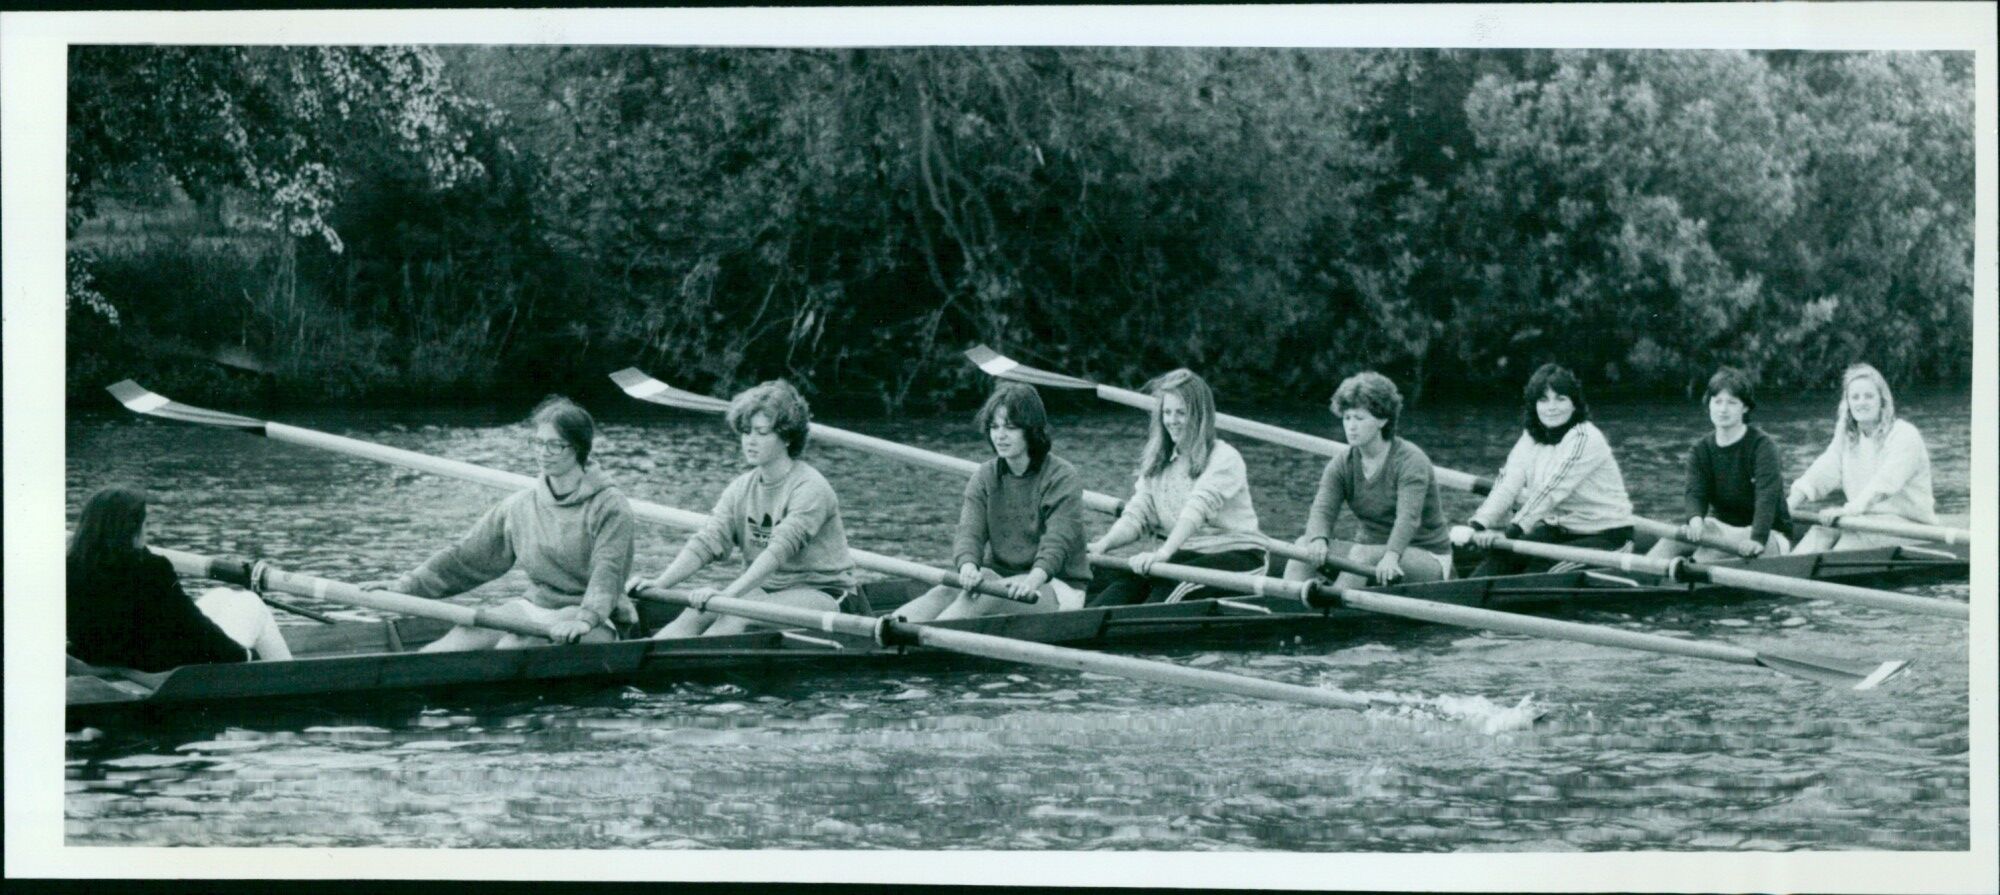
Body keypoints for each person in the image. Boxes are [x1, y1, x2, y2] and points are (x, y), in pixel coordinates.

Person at [362, 396, 635, 651]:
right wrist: (405, 587)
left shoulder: (610, 506)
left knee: (514, 645)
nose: (543, 453)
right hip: (538, 605)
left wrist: (585, 620)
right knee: (465, 634)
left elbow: (608, 572)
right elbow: (465, 559)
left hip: (597, 618)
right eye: (538, 443)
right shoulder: (520, 505)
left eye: (555, 445)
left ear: (579, 447)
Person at [638, 379, 858, 638]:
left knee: (736, 616)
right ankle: (644, 659)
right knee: (694, 613)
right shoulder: (741, 487)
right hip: (766, 589)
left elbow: (778, 551)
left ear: (787, 437)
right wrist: (660, 583)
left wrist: (727, 596)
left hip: (824, 593)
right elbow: (707, 542)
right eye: (746, 432)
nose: (750, 441)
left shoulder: (810, 488)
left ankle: (696, 663)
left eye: (761, 433)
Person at [893, 383, 1090, 622]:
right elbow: (969, 532)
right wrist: (968, 567)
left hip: (1054, 584)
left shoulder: (1061, 476)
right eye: (994, 427)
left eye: (1010, 427)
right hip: (998, 578)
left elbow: (1057, 543)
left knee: (985, 596)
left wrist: (1032, 580)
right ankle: (887, 628)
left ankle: (926, 639)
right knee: (946, 590)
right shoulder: (985, 476)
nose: (1000, 435)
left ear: (1031, 430)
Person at [1086, 369, 1267, 606]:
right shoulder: (1158, 461)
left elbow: (1196, 510)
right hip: (1185, 553)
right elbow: (1137, 514)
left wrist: (1163, 553)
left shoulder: (1224, 457)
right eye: (1167, 412)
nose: (1172, 421)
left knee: (1166, 591)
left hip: (1238, 556)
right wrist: (1102, 545)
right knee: (1125, 586)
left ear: (1199, 416)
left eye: (1181, 413)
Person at [66, 485, 293, 671]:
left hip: (104, 658)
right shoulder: (152, 569)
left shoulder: (70, 568)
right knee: (252, 602)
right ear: (132, 529)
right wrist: (244, 655)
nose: (147, 530)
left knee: (222, 594)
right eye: (145, 524)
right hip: (165, 669)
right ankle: (289, 679)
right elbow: (194, 627)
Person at [1460, 363, 1635, 576]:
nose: (1551, 407)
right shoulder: (1531, 436)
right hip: (1557, 531)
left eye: (1560, 399)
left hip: (1606, 535)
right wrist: (1478, 525)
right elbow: (1507, 484)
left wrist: (1511, 532)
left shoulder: (1586, 437)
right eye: (1543, 400)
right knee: (1500, 558)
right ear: (1534, 405)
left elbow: (1551, 491)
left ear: (1574, 404)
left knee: (1541, 572)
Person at [1283, 372, 1454, 590]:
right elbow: (1322, 510)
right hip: (1369, 551)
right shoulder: (1342, 464)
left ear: (1383, 420)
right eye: (1347, 418)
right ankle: (1282, 606)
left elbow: (1408, 518)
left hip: (1426, 555)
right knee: (1302, 547)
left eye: (1360, 418)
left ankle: (1332, 609)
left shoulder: (1411, 460)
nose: (1351, 426)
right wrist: (1318, 539)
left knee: (1361, 556)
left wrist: (1391, 556)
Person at [1646, 367, 1793, 562]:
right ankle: (1641, 573)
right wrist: (1695, 521)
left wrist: (1757, 538)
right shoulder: (1700, 450)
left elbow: (1766, 498)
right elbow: (1695, 493)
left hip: (1768, 534)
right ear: (1709, 404)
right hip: (1721, 528)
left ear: (1745, 407)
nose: (1723, 409)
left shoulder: (1763, 447)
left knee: (1710, 552)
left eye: (1732, 403)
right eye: (1717, 401)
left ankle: (1690, 571)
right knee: (1672, 540)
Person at [1787, 362, 1936, 553]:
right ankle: (1784, 569)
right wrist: (1789, 504)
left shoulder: (1904, 435)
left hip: (1910, 526)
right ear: (1848, 403)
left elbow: (1884, 485)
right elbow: (1823, 471)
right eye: (1855, 397)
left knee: (1849, 541)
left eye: (1868, 396)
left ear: (1882, 401)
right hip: (1863, 520)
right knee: (1820, 533)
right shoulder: (1847, 436)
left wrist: (1848, 510)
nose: (1861, 402)